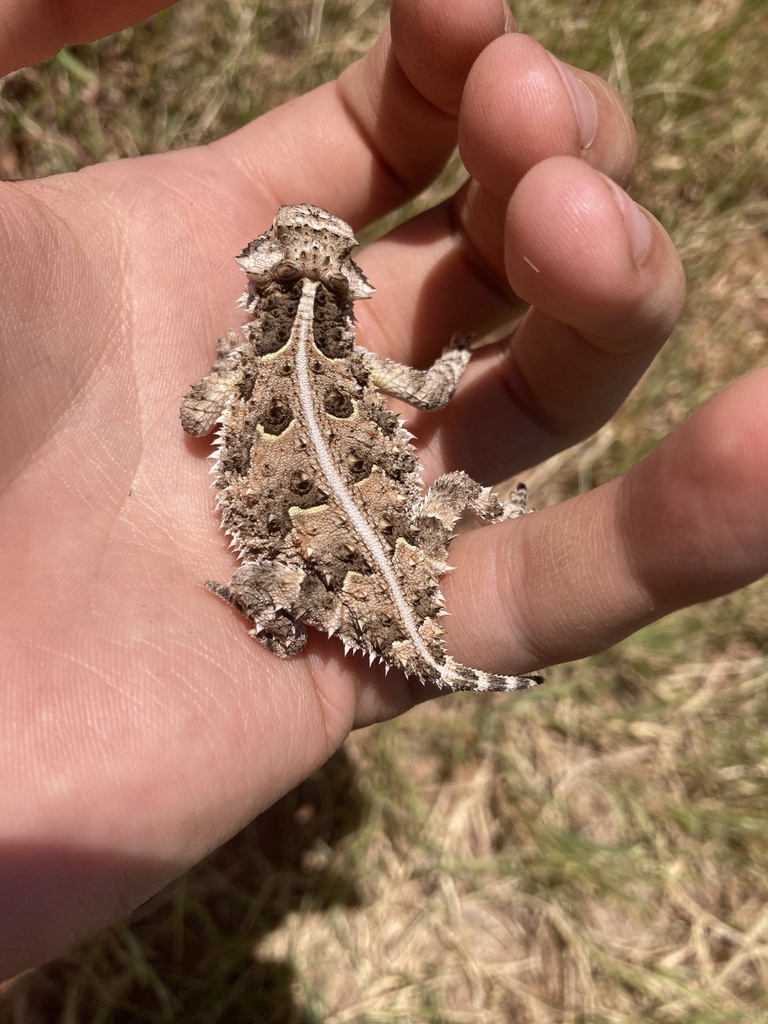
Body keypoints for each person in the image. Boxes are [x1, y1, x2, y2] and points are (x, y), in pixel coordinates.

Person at [1, 0, 766, 980]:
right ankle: (471, 524)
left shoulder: (247, 365)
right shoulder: (364, 368)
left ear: (261, 276)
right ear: (350, 290)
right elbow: (436, 388)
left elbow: (196, 422)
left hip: (318, 548)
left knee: (295, 573)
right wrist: (448, 362)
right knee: (421, 513)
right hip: (387, 529)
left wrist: (219, 373)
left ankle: (295, 618)